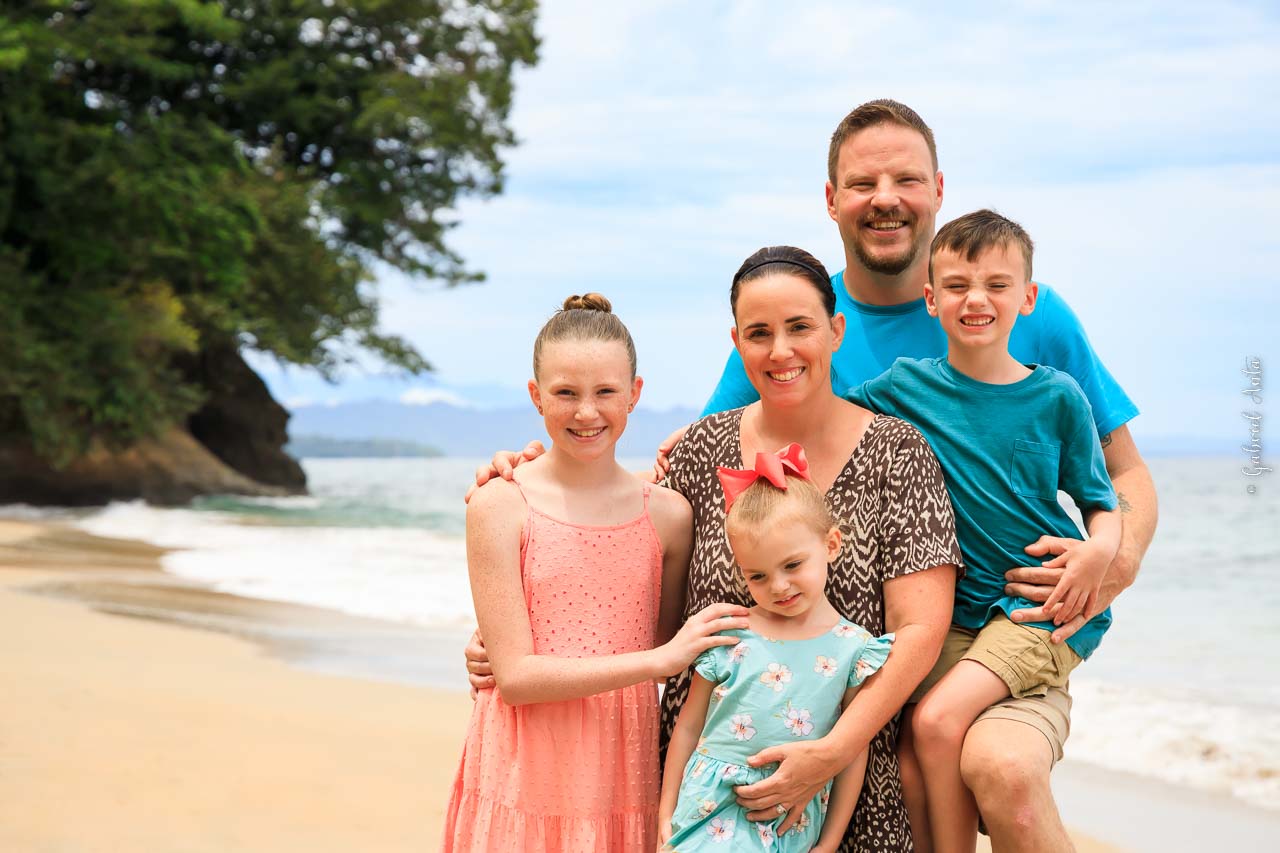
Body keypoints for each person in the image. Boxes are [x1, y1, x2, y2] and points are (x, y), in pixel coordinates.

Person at [650, 99, 1158, 852]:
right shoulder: (798, 316)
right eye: (863, 182)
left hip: (1012, 624)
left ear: (939, 189)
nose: (885, 197)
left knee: (1005, 771)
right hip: (875, 664)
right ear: (831, 200)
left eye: (906, 179)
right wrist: (547, 479)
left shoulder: (1025, 309)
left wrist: (1102, 569)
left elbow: (1126, 477)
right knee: (923, 760)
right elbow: (703, 459)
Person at [468, 248, 962, 852]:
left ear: (836, 331)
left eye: (799, 327)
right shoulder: (700, 452)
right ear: (738, 343)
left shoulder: (899, 451)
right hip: (698, 794)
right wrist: (512, 639)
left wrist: (831, 753)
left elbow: (919, 632)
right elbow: (628, 579)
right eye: (759, 334)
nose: (779, 350)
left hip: (843, 782)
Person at [844, 210, 1121, 852]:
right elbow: (821, 420)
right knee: (911, 757)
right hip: (955, 616)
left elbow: (1099, 502)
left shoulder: (1058, 398)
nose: (977, 299)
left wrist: (1098, 553)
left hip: (1038, 607)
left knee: (938, 722)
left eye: (998, 284)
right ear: (931, 298)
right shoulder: (902, 386)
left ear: (1027, 298)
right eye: (960, 284)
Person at [441, 294, 751, 853]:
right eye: (566, 393)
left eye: (606, 392)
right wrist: (659, 662)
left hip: (622, 763)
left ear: (635, 394)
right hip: (523, 762)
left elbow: (662, 636)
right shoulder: (498, 503)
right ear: (537, 397)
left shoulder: (669, 515)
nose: (587, 412)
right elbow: (515, 676)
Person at [659, 443, 896, 852]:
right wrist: (665, 815)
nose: (779, 586)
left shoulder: (854, 649)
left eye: (792, 565)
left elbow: (852, 750)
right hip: (706, 810)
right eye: (758, 575)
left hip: (789, 820)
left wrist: (831, 840)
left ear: (832, 544)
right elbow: (688, 727)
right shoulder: (732, 633)